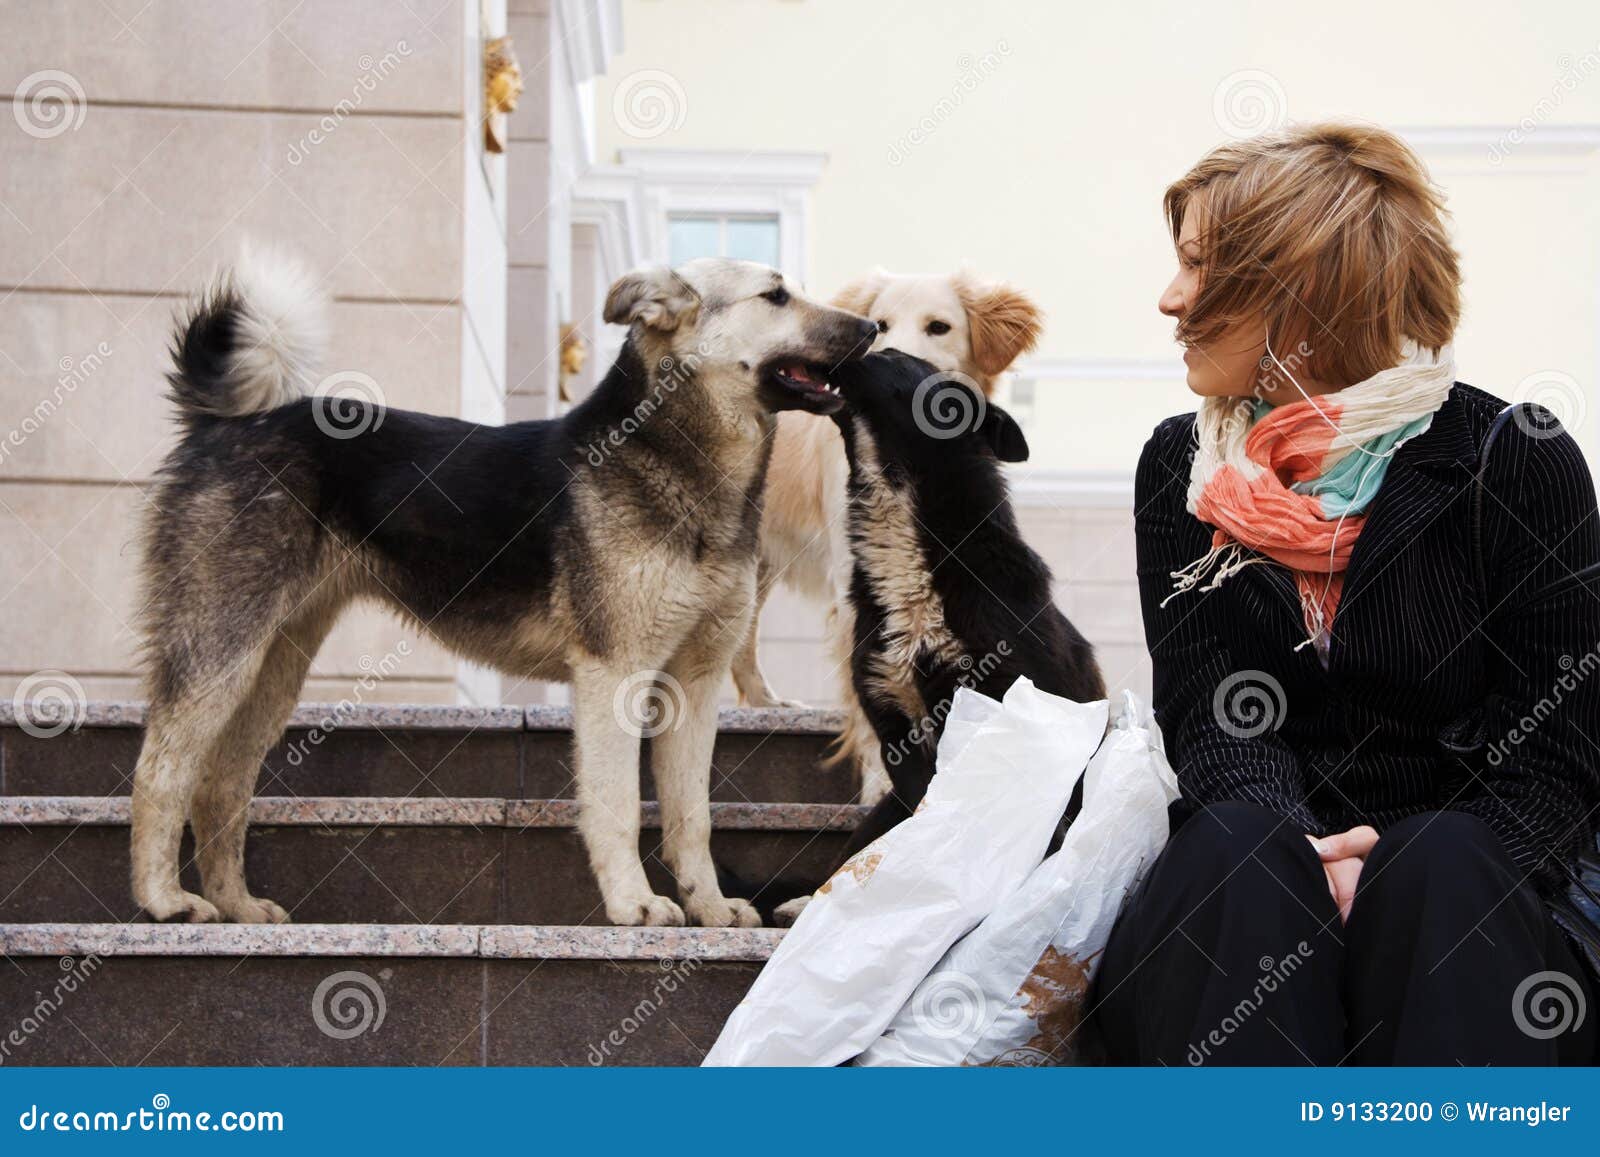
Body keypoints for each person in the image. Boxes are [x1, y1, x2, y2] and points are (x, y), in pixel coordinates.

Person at [1091, 122, 1599, 1065]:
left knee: (1441, 865)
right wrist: (1308, 862)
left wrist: (1386, 876)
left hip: (1474, 905)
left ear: (1302, 294)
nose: (1168, 299)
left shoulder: (1515, 458)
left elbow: (1558, 758)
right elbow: (1212, 723)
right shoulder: (1181, 464)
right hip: (1251, 906)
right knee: (1240, 853)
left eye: (1199, 267)